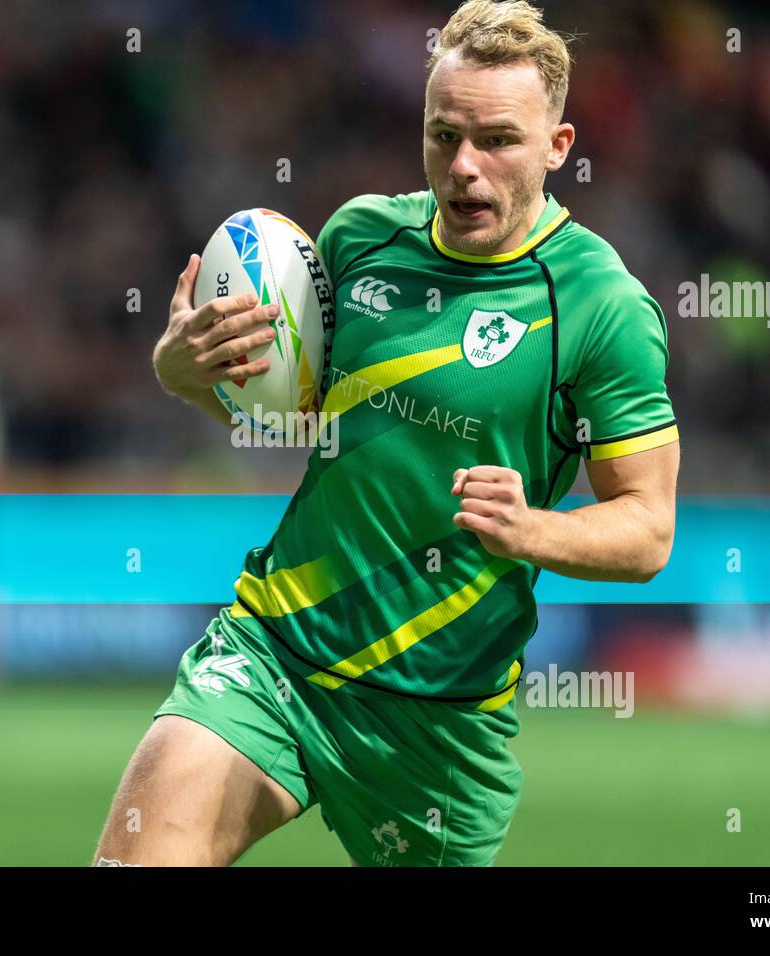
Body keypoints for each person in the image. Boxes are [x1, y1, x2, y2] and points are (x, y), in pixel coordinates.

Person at [94, 0, 679, 867]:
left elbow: (648, 526)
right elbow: (292, 418)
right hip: (276, 650)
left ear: (557, 148)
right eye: (445, 136)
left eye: (498, 140)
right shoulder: (362, 237)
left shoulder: (601, 307)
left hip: (436, 717)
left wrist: (533, 532)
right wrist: (187, 378)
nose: (465, 168)